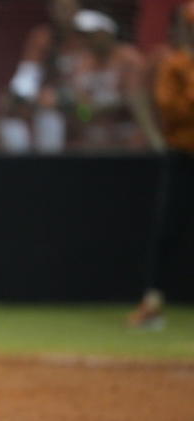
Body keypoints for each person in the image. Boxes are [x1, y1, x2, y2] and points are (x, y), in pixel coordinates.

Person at [127, 0, 194, 328]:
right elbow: (173, 110)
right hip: (182, 156)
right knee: (168, 230)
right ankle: (153, 302)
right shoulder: (174, 64)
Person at [66, 9, 165, 151]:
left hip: (128, 139)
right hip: (92, 142)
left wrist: (97, 109)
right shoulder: (82, 64)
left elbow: (135, 99)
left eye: (90, 34)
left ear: (106, 33)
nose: (85, 40)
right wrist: (86, 112)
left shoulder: (128, 58)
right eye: (82, 35)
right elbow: (80, 107)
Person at [0, 0, 83, 153]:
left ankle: (51, 166)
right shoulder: (43, 37)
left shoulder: (89, 36)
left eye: (68, 8)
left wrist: (61, 95)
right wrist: (21, 96)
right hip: (56, 99)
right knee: (9, 107)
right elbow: (28, 74)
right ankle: (22, 166)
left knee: (50, 107)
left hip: (85, 107)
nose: (64, 13)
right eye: (60, 8)